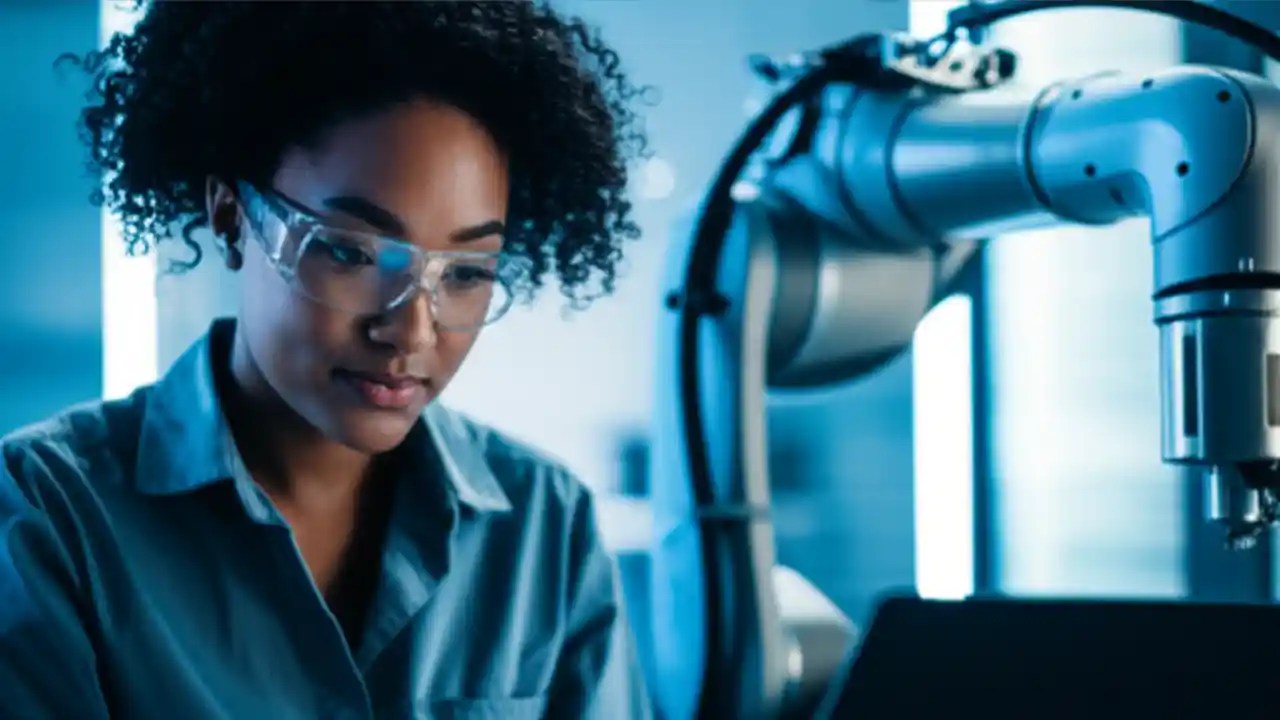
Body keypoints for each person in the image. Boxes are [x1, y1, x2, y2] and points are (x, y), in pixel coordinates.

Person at [0, 2, 654, 718]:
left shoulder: (543, 530)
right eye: (349, 251)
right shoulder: (50, 516)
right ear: (232, 220)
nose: (409, 331)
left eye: (465, 272)